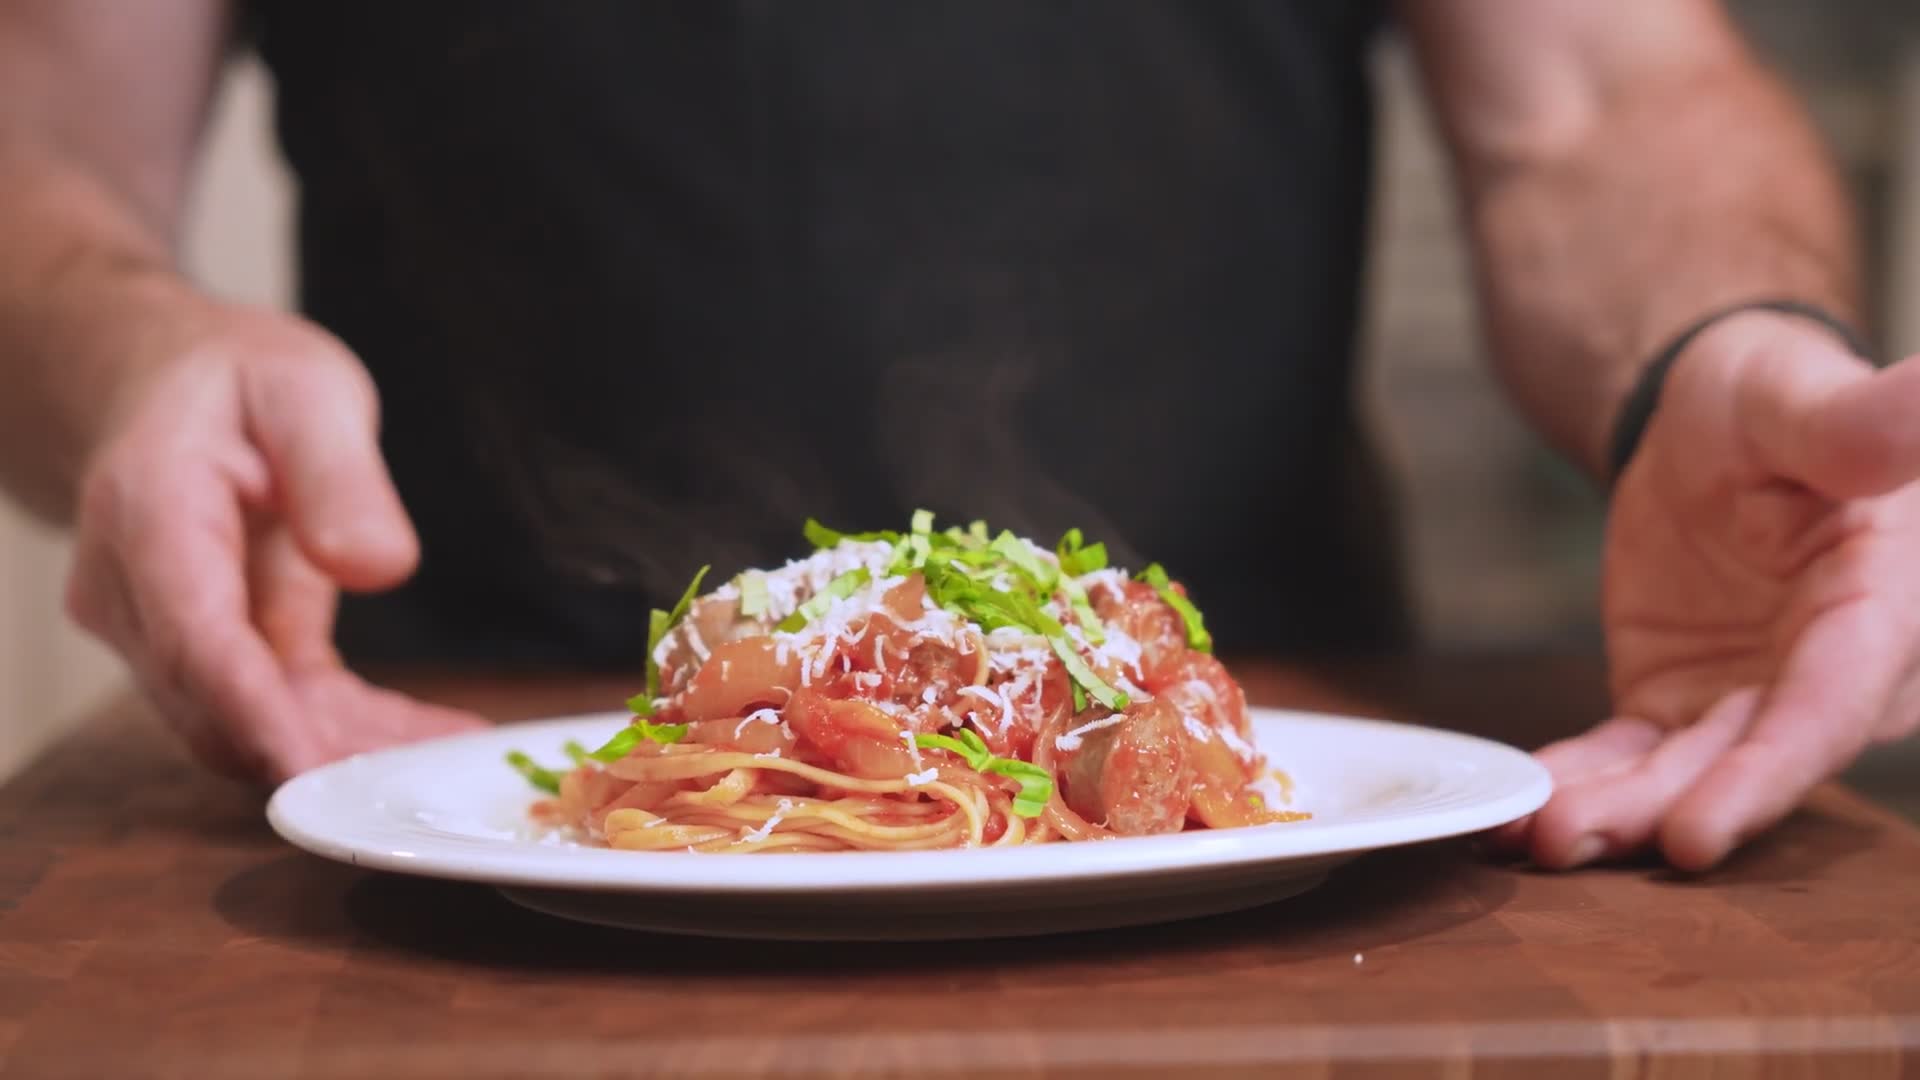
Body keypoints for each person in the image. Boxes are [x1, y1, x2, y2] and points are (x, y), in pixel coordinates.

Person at [2, 0, 1915, 872]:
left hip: (1283, 819)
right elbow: (50, 134)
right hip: (444, 800)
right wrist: (125, 349)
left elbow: (1600, 89)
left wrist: (1715, 346)